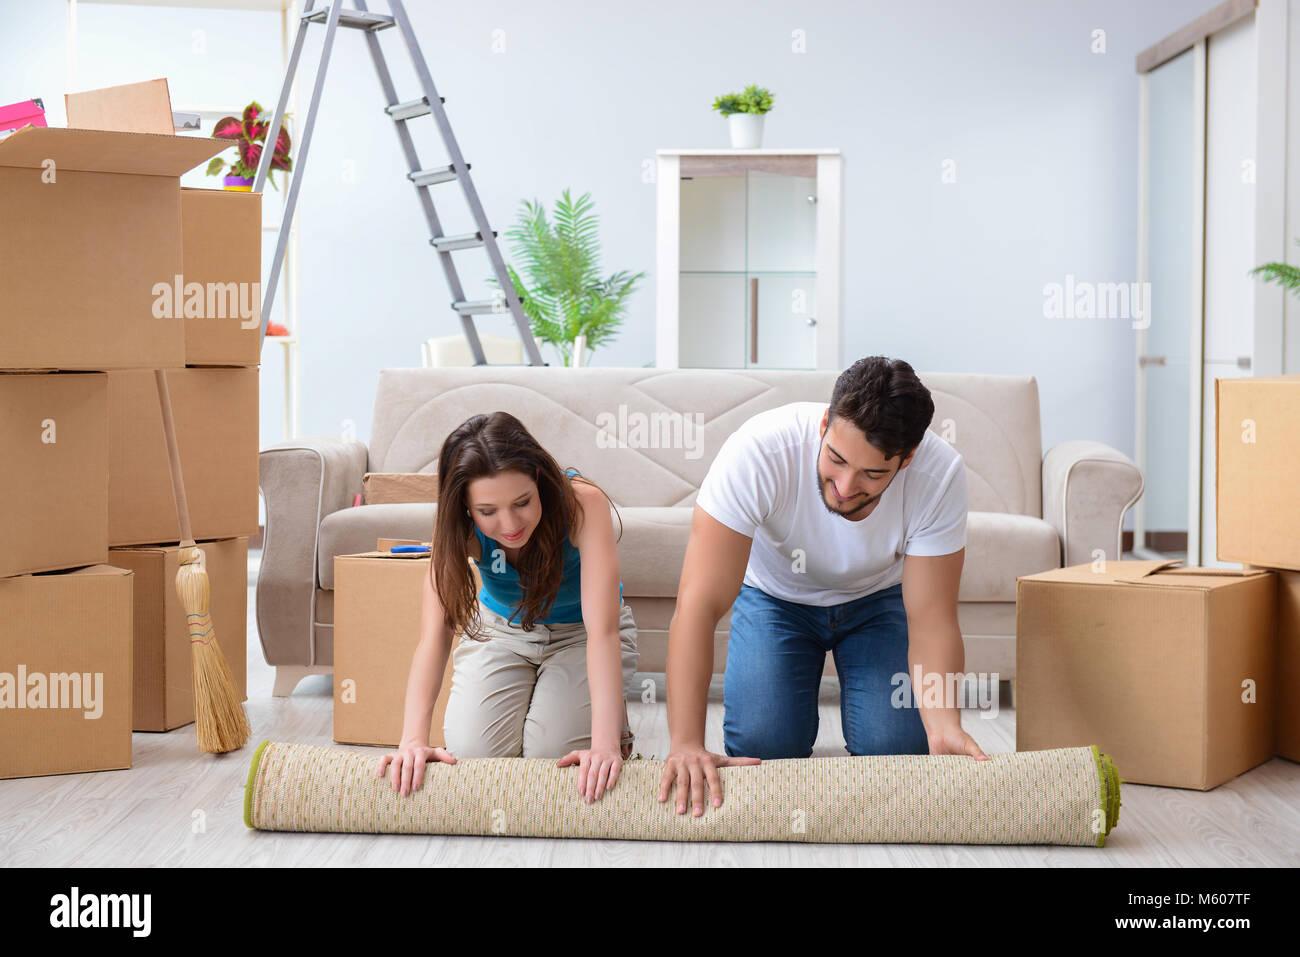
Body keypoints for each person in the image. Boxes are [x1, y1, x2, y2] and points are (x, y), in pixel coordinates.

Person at [658, 356, 989, 817]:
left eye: (873, 474)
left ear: (907, 459)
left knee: (898, 751)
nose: (845, 486)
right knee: (764, 747)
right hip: (776, 598)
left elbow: (932, 619)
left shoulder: (939, 475)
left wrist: (944, 724)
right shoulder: (759, 451)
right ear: (823, 425)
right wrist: (686, 743)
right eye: (836, 459)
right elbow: (697, 605)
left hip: (878, 601)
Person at [377, 411, 638, 804]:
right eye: (488, 512)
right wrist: (412, 740)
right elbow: (434, 637)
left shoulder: (582, 503)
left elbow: (602, 631)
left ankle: (610, 717)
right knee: (476, 755)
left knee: (552, 757)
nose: (510, 524)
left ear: (539, 480)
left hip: (581, 634)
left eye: (522, 502)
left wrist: (603, 745)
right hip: (501, 631)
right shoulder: (454, 525)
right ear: (464, 506)